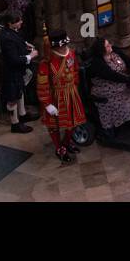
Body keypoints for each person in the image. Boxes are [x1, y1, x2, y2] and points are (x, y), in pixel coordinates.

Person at [37, 31, 85, 164]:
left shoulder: (71, 53)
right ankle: (59, 148)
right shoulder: (46, 63)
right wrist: (47, 104)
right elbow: (42, 84)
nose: (64, 48)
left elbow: (75, 70)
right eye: (61, 46)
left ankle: (66, 143)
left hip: (70, 93)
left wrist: (74, 85)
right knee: (54, 125)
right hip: (55, 98)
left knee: (73, 123)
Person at [88, 37, 130, 131]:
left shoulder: (114, 51)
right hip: (106, 89)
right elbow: (112, 75)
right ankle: (124, 126)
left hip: (122, 82)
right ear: (101, 50)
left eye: (109, 44)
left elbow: (129, 61)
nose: (110, 46)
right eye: (107, 46)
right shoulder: (97, 63)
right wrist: (128, 79)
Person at [0, 11, 37, 133]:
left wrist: (26, 45)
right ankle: (15, 124)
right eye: (18, 20)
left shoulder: (13, 32)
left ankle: (23, 114)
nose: (21, 22)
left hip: (17, 72)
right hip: (11, 73)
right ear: (10, 23)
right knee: (12, 98)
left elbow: (19, 41)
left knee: (19, 92)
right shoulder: (6, 38)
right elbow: (14, 59)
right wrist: (30, 56)